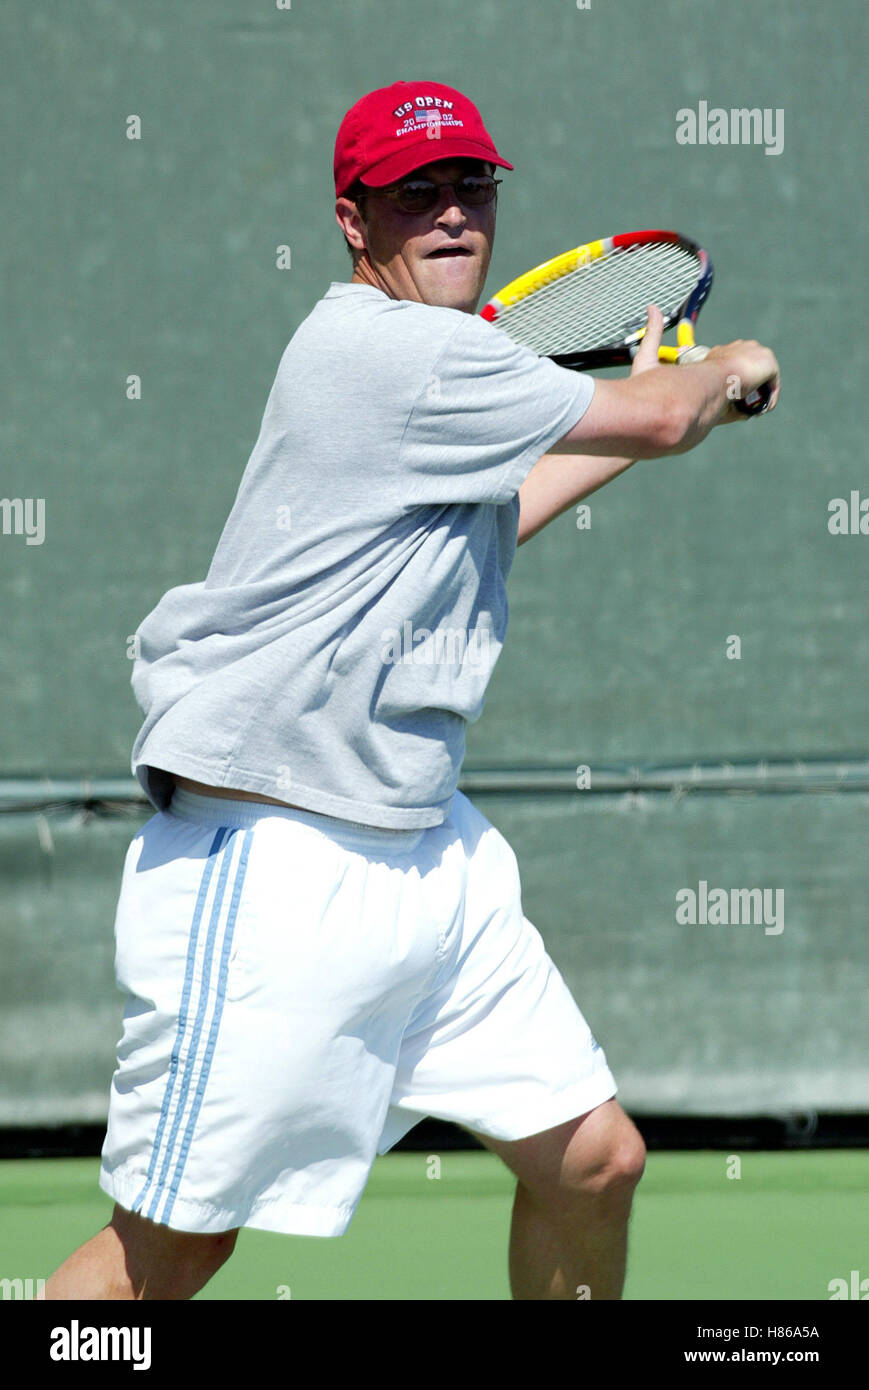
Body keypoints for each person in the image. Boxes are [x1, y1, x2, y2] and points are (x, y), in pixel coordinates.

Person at [46, 80, 778, 1301]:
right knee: (174, 1249)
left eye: (469, 187)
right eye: (414, 194)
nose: (451, 215)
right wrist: (728, 371)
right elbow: (656, 418)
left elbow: (515, 506)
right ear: (353, 220)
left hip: (426, 851)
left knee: (595, 1162)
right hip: (275, 851)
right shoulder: (390, 349)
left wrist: (659, 407)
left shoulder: (449, 371)